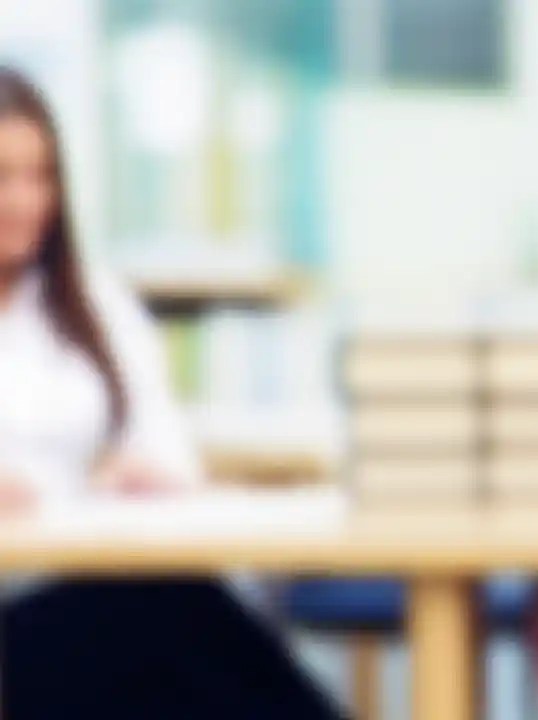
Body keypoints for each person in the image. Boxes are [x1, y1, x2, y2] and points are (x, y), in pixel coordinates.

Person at [0, 69, 342, 719]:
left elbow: (163, 441)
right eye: (4, 177)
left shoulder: (92, 303)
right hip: (18, 613)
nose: (25, 200)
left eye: (40, 177)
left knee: (171, 605)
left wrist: (148, 475)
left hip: (96, 583)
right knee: (161, 616)